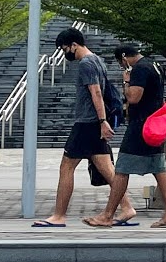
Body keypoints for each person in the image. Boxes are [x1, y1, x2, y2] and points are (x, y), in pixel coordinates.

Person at [34, 27, 138, 227]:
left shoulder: (86, 64)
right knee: (107, 169)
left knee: (66, 167)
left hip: (87, 123)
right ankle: (126, 207)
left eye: (65, 49)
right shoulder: (97, 60)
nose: (65, 53)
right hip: (94, 123)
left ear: (74, 45)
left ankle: (59, 215)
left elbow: (96, 92)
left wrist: (102, 121)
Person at [88, 45, 166, 229]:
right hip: (153, 127)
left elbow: (134, 97)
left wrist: (126, 82)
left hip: (140, 128)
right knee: (160, 169)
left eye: (121, 64)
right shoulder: (154, 65)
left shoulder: (139, 69)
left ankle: (107, 215)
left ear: (124, 57)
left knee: (121, 170)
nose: (123, 67)